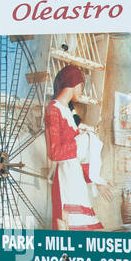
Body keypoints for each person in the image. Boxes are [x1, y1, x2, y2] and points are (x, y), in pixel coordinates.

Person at [45, 65, 103, 231]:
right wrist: (81, 141)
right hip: (64, 179)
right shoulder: (53, 109)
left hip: (75, 179)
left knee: (83, 231)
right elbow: (54, 152)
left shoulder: (67, 111)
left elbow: (79, 155)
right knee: (68, 231)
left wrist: (96, 180)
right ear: (73, 83)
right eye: (81, 86)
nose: (81, 91)